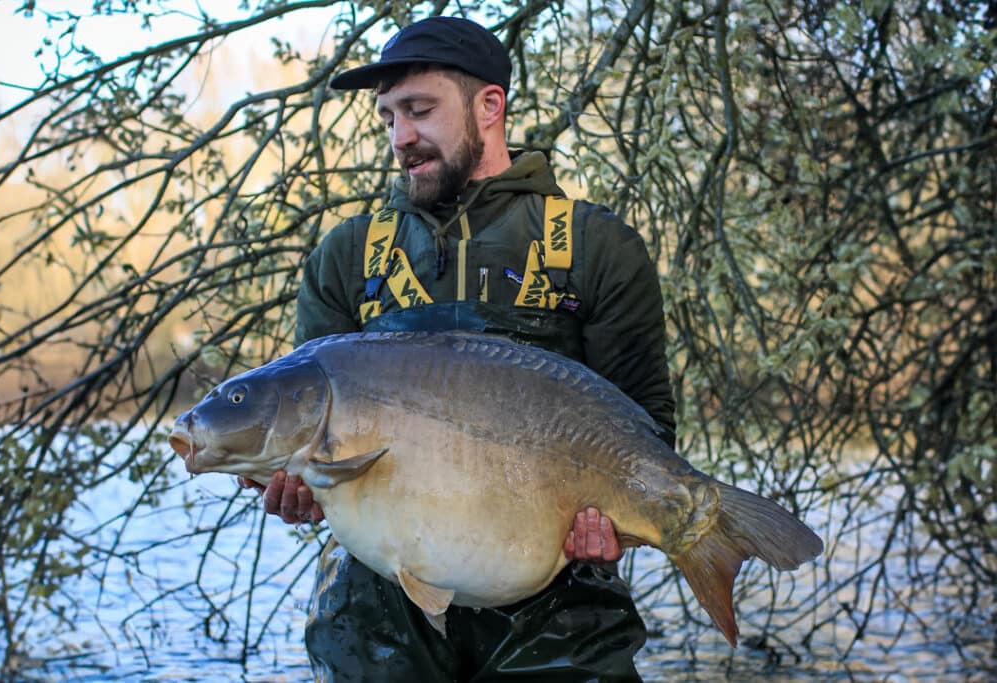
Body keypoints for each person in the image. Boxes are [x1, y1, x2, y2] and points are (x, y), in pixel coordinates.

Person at [241, 15, 676, 681]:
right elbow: (305, 431)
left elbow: (648, 432)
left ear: (489, 105)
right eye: (388, 116)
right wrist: (298, 490)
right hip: (378, 618)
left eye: (419, 110)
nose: (400, 137)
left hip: (562, 609)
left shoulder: (596, 248)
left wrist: (618, 528)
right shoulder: (347, 256)